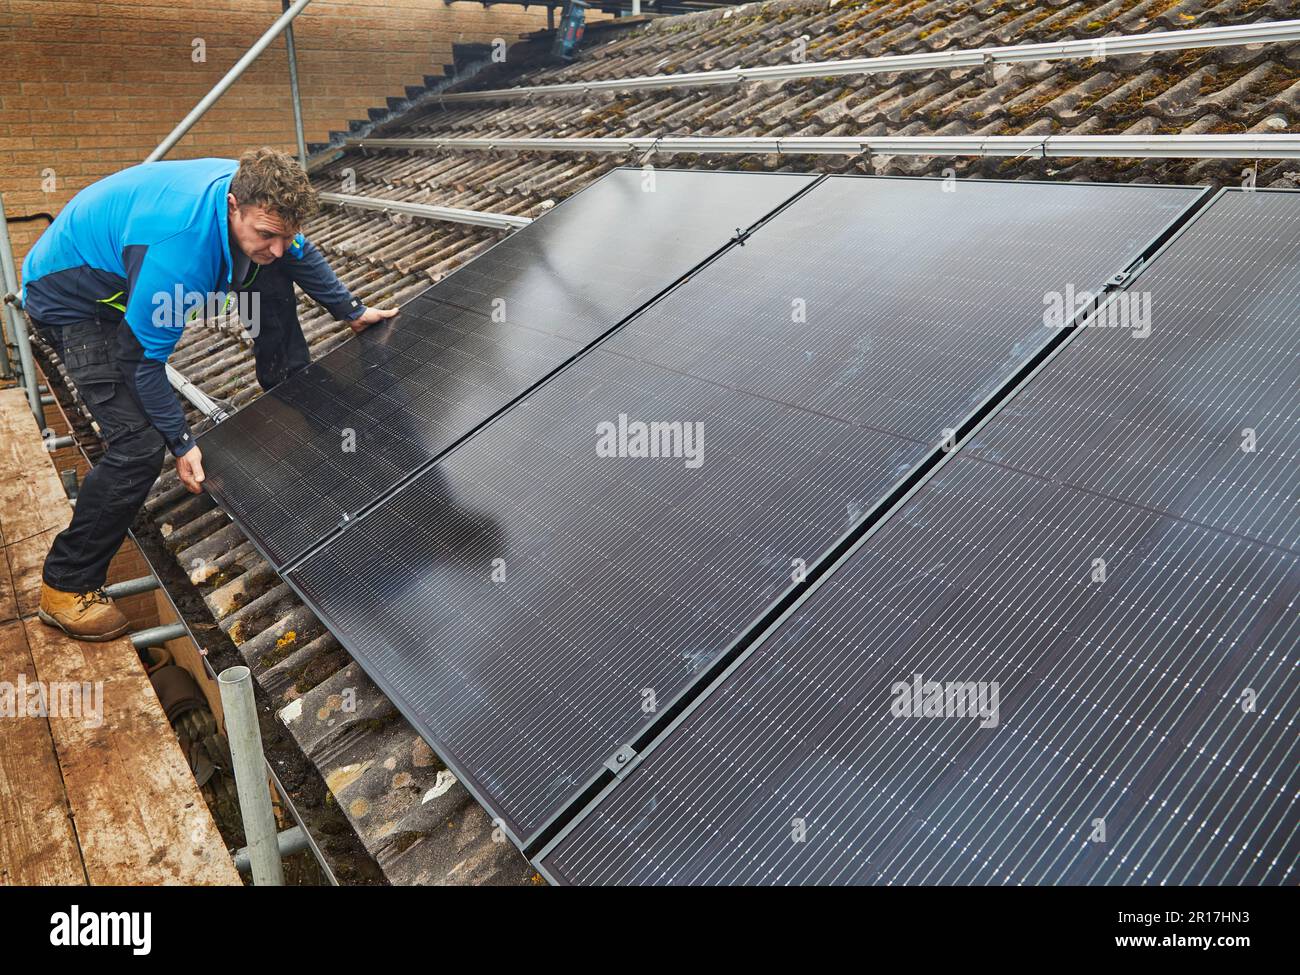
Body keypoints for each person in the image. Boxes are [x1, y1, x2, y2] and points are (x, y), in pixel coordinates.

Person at [20, 146, 398, 640]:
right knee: (138, 445)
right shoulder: (180, 255)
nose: (278, 244)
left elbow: (299, 255)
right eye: (266, 233)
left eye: (285, 233)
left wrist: (351, 310)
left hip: (126, 262)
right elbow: (141, 362)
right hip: (71, 300)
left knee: (271, 265)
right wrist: (181, 441)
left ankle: (285, 376)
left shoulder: (262, 201)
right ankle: (65, 586)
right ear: (232, 206)